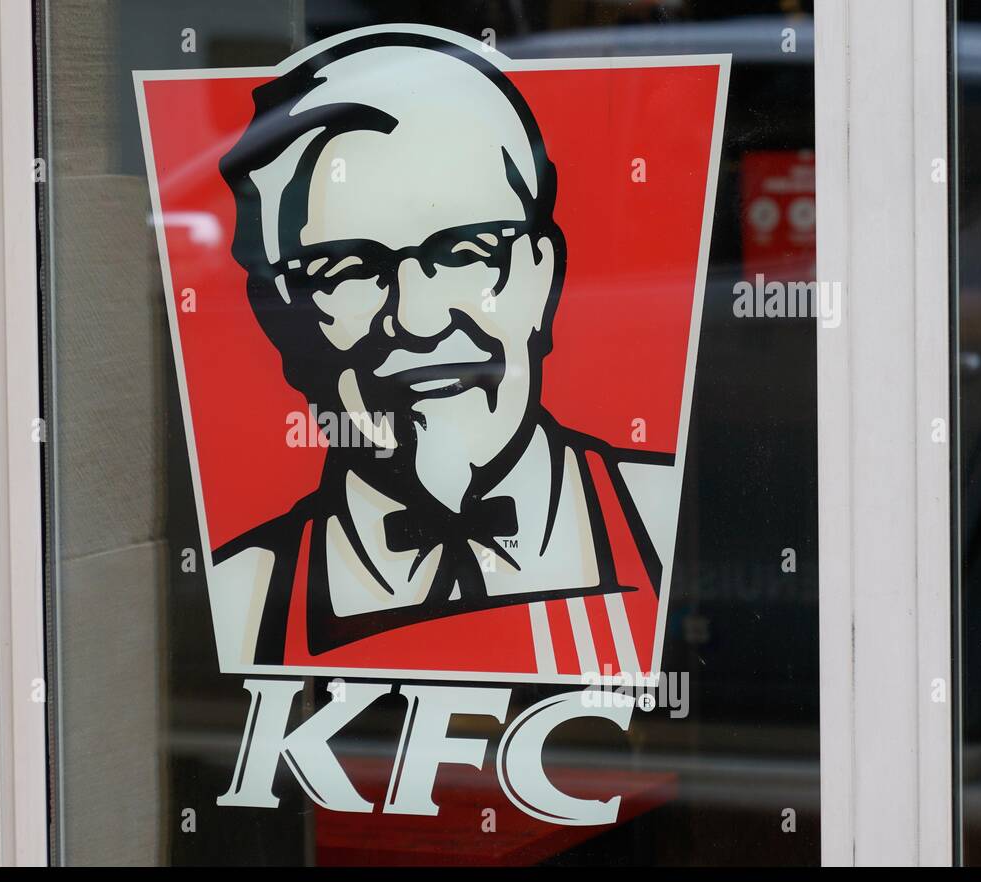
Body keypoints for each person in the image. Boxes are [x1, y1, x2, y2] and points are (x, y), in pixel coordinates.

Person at [210, 30, 671, 678]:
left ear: (541, 278)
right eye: (346, 268)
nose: (418, 319)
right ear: (280, 319)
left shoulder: (661, 519)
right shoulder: (244, 593)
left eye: (465, 252)